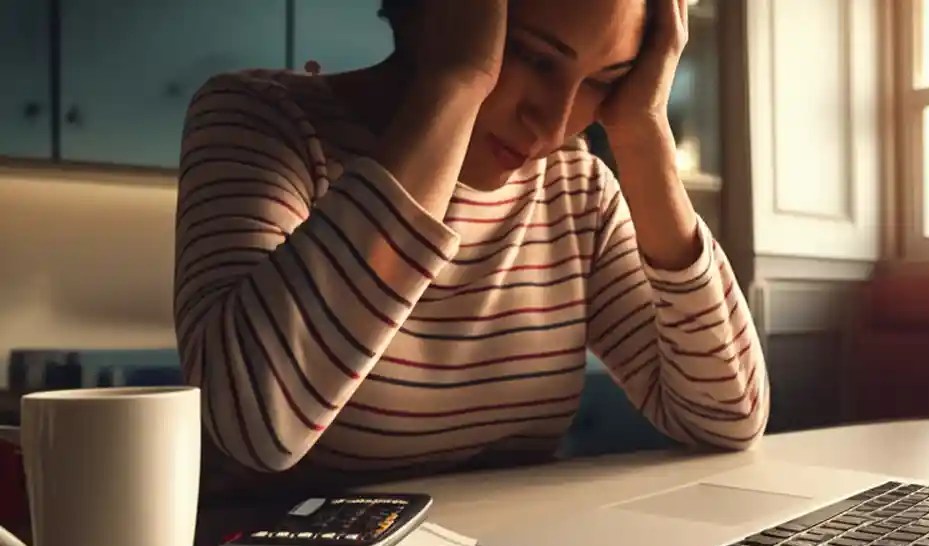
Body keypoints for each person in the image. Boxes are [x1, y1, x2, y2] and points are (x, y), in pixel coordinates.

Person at [173, 0, 768, 482]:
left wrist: (643, 130)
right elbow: (253, 426)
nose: (553, 122)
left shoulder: (575, 188)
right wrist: (456, 86)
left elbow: (728, 418)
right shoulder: (262, 122)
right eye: (532, 57)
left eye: (603, 82)